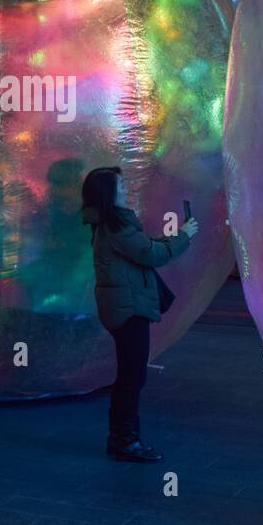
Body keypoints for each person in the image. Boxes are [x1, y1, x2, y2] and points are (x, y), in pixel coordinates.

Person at [80, 166, 197, 462]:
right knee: (132, 377)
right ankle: (125, 440)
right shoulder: (117, 226)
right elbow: (152, 254)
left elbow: (143, 248)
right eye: (121, 186)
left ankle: (122, 437)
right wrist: (184, 236)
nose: (126, 189)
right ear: (109, 193)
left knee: (130, 375)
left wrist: (174, 237)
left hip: (124, 304)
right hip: (128, 308)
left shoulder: (110, 224)